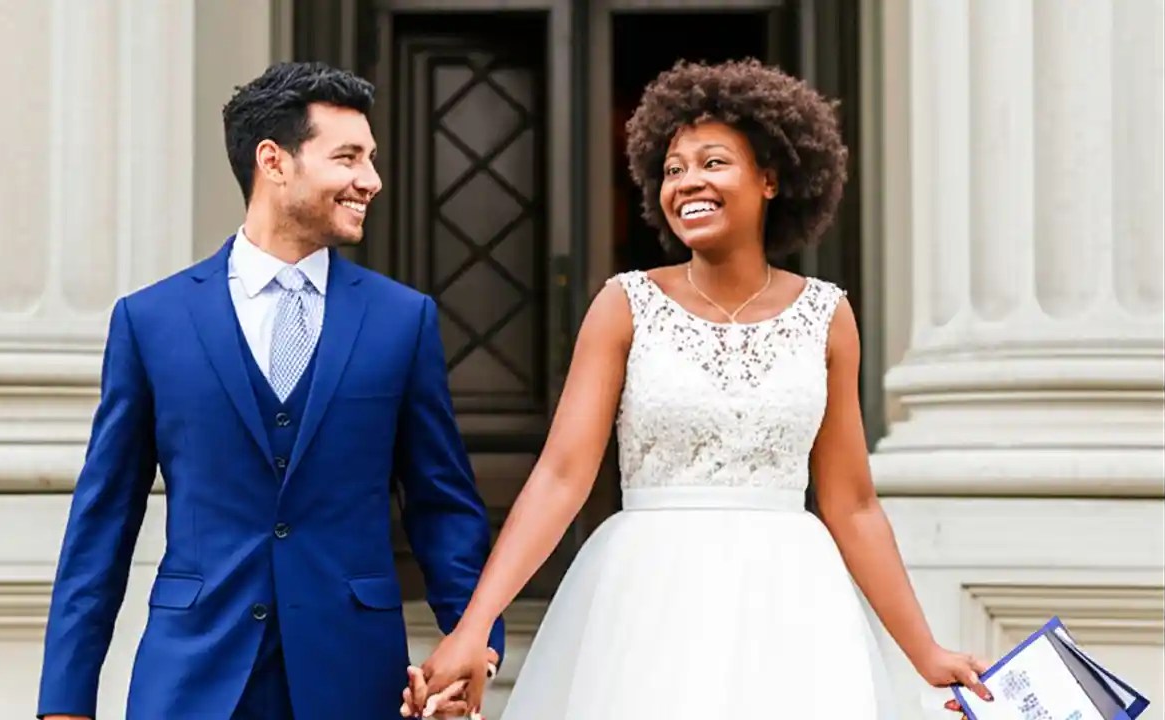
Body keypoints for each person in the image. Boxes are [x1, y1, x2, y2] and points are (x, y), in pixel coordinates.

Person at [404, 59, 994, 719]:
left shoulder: (829, 317)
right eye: (673, 168)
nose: (688, 183)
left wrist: (925, 652)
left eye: (713, 162)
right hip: (647, 599)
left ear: (771, 178)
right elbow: (561, 477)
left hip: (794, 606)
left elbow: (852, 504)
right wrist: (473, 626)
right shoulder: (623, 305)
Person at [36, 61, 502, 720]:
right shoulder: (152, 322)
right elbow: (102, 523)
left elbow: (442, 505)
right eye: (348, 157)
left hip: (354, 681)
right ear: (274, 162)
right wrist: (65, 701)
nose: (371, 180)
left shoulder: (403, 321)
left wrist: (472, 644)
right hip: (192, 680)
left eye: (371, 159)